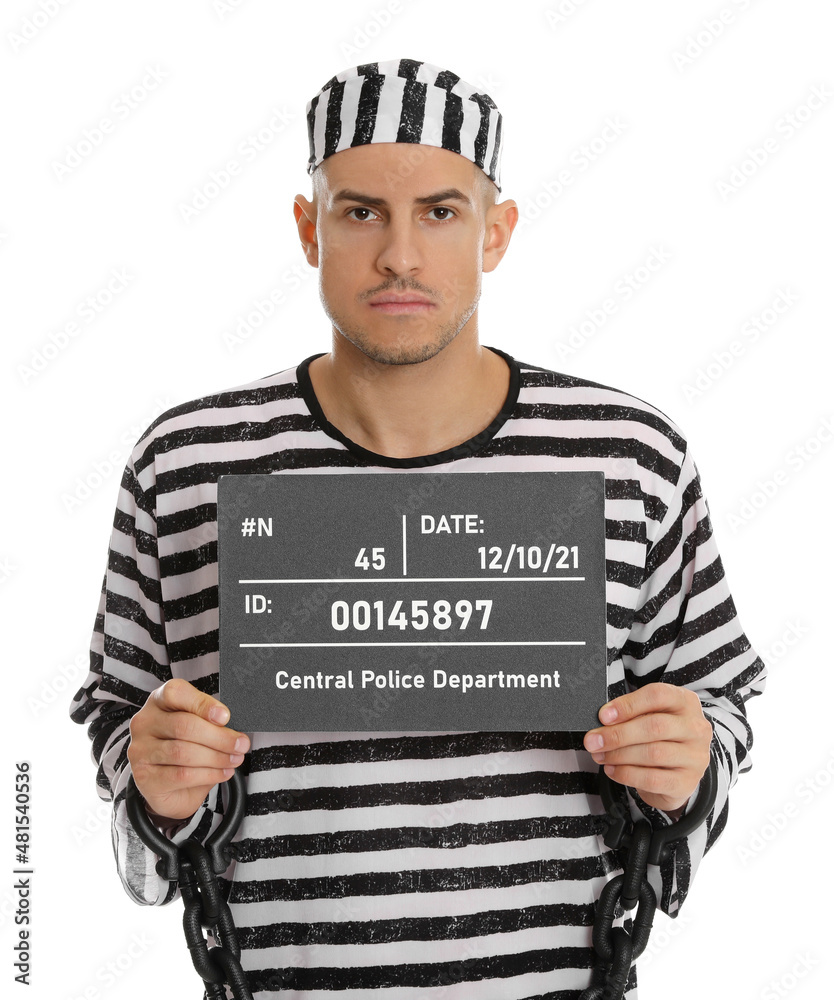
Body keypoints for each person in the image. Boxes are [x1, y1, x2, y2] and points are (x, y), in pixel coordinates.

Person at [70, 58, 766, 998]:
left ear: (496, 232)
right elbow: (119, 727)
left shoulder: (630, 457)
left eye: (440, 212)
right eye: (362, 212)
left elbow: (719, 706)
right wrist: (154, 782)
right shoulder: (186, 464)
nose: (400, 255)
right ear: (309, 229)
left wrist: (688, 765)